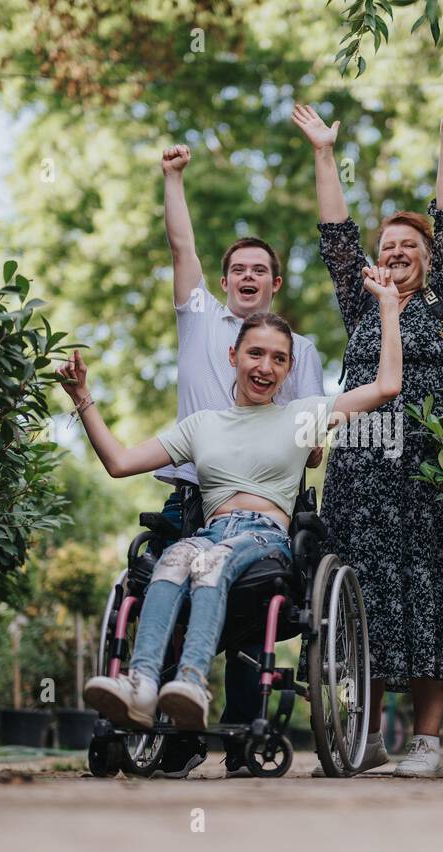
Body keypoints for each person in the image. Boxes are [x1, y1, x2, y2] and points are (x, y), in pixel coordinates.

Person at [62, 265, 401, 756]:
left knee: (206, 561)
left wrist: (388, 307)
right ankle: (140, 687)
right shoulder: (202, 425)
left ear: (288, 370)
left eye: (278, 359)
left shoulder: (303, 417)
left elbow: (386, 387)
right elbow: (119, 463)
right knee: (174, 559)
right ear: (233, 356)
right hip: (212, 528)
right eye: (255, 353)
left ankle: (193, 682)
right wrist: (82, 398)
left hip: (265, 537)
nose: (265, 366)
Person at [291, 84, 443, 778]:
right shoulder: (362, 303)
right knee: (364, 597)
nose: (397, 251)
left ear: (429, 262)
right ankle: (365, 736)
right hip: (363, 477)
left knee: (428, 591)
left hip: (428, 473)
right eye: (387, 246)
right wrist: (324, 153)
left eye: (409, 246)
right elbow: (335, 233)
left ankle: (428, 745)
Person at [151, 144, 326, 777]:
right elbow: (181, 249)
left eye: (261, 270)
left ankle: (242, 742)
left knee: (249, 613)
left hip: (260, 502)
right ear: (225, 281)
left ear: (275, 283)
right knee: (160, 590)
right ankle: (173, 734)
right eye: (238, 270)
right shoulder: (200, 323)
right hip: (191, 494)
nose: (248, 277)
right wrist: (172, 177)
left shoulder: (296, 350)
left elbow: (311, 437)